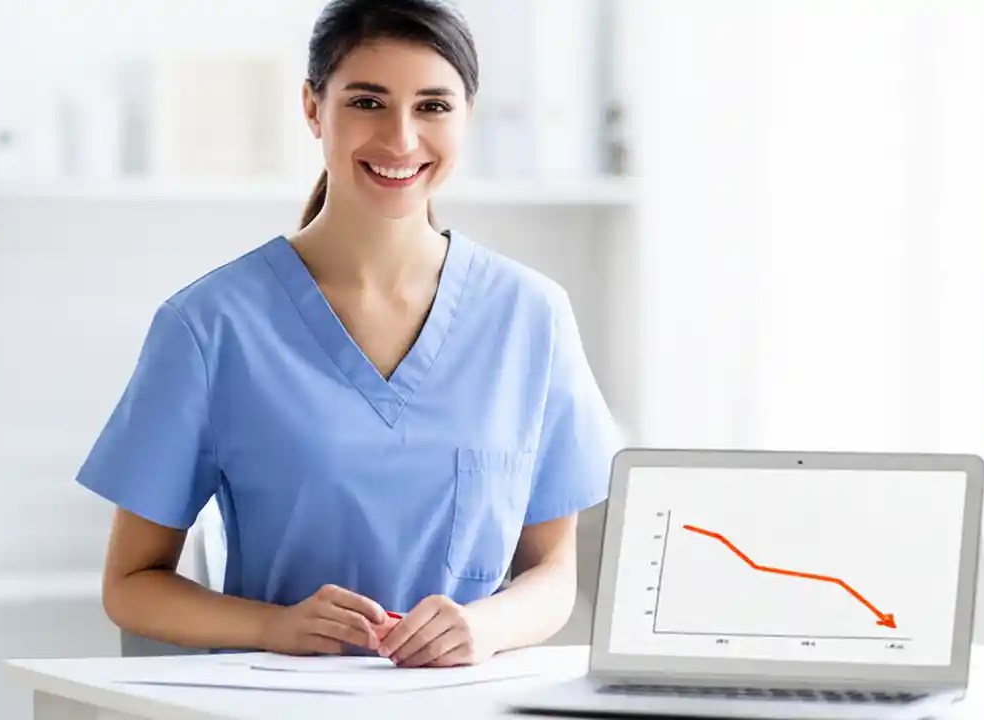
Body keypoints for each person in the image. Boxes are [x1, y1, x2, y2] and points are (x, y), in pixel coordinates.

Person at [77, 0, 621, 669]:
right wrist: (274, 626)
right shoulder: (210, 326)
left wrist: (483, 626)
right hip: (283, 704)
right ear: (313, 108)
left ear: (467, 117)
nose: (401, 139)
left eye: (432, 106)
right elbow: (131, 585)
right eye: (367, 102)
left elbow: (554, 573)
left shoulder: (532, 317)